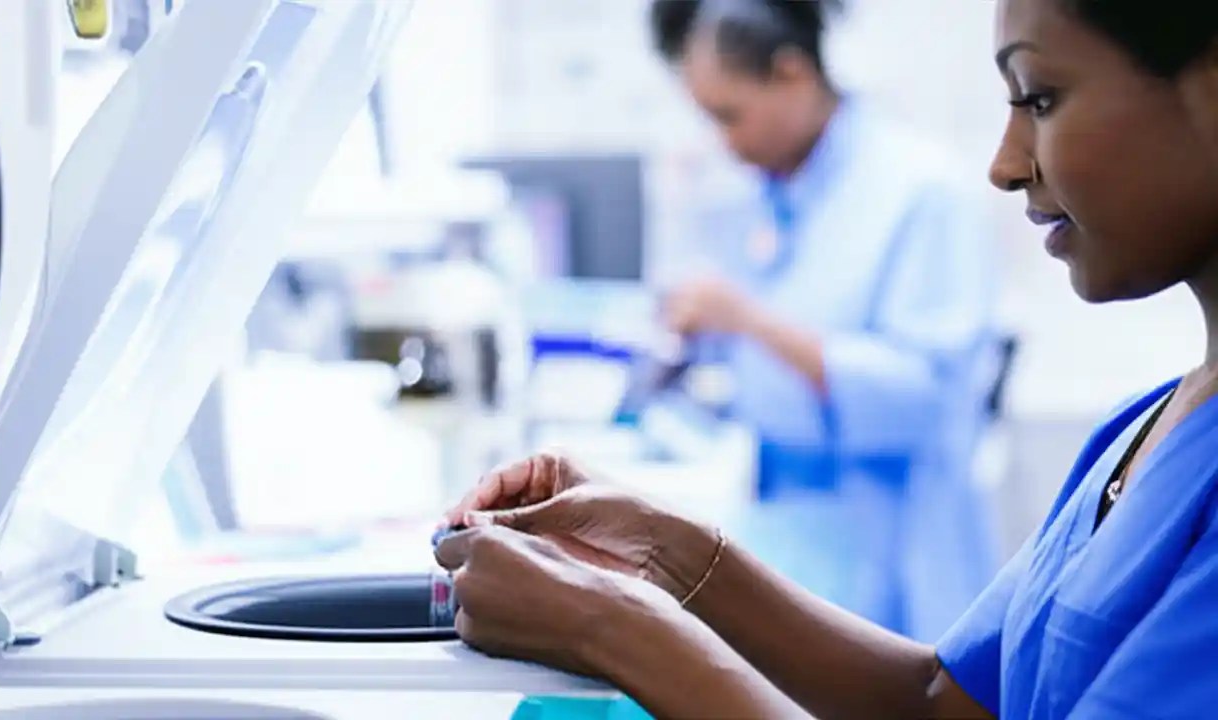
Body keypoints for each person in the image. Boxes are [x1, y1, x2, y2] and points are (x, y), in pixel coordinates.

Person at [435, 0, 1218, 717]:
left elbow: (920, 397)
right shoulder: (1142, 429)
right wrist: (662, 546)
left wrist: (610, 628)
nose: (1006, 164)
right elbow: (941, 701)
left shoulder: (916, 191)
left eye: (1041, 98)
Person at [648, 0, 999, 642]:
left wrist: (749, 321)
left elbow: (922, 398)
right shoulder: (773, 193)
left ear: (792, 75)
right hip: (791, 538)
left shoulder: (921, 191)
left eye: (731, 116)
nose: (726, 143)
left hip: (895, 557)